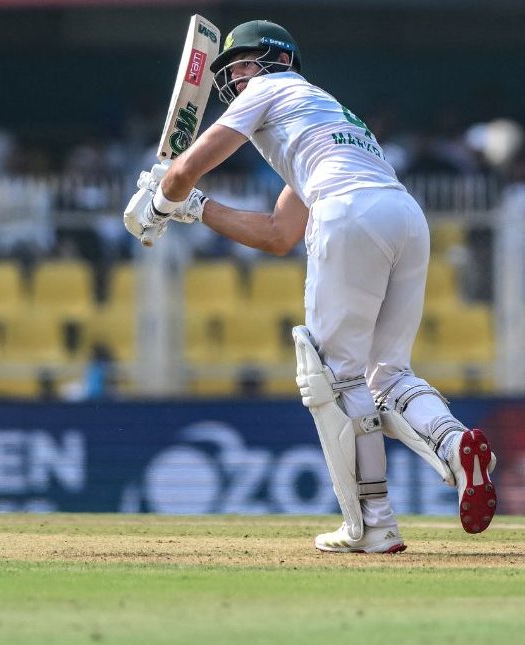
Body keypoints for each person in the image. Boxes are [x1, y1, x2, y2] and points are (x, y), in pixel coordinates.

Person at [122, 20, 497, 553]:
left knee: (330, 379)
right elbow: (278, 235)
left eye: (244, 66)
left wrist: (160, 200)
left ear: (277, 61)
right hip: (404, 216)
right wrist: (194, 208)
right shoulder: (325, 115)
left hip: (348, 212)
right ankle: (457, 444)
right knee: (387, 376)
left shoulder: (269, 90)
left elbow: (186, 168)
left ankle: (371, 526)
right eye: (230, 73)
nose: (235, 80)